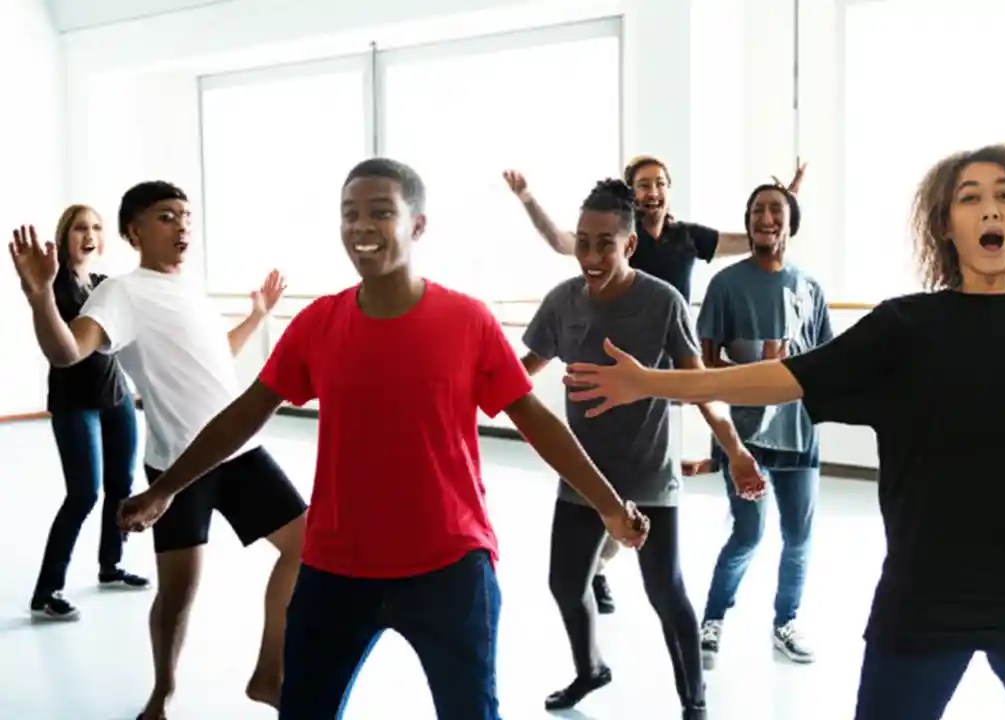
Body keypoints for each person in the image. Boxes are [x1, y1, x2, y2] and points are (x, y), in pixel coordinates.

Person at [559, 144, 1005, 719]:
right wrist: (657, 383)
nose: (989, 208)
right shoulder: (906, 326)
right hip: (923, 599)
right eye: (970, 197)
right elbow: (785, 379)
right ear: (946, 223)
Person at [116, 158, 650, 720]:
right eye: (349, 214)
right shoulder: (318, 324)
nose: (361, 226)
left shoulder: (467, 321)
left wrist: (611, 508)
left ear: (417, 225)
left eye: (380, 212)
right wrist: (164, 490)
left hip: (449, 566)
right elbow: (243, 414)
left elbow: (537, 421)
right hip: (336, 567)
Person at [7, 182, 305, 720]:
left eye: (186, 216)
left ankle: (269, 675)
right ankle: (162, 693)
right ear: (134, 232)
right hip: (177, 463)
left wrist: (258, 316)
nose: (182, 226)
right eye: (167, 217)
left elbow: (217, 357)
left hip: (238, 448)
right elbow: (69, 351)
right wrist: (40, 298)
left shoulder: (192, 288)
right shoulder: (120, 292)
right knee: (178, 595)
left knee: (308, 548)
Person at [503, 155, 806, 612]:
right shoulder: (620, 235)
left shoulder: (688, 238)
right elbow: (563, 242)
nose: (653, 191)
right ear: (632, 195)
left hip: (670, 370)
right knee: (614, 474)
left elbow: (755, 239)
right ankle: (601, 563)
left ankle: (627, 559)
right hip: (620, 367)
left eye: (660, 182)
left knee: (650, 478)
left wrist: (786, 204)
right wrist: (527, 197)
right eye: (643, 184)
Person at [520, 178, 763, 719]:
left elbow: (700, 386)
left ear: (630, 245)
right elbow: (519, 376)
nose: (590, 254)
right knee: (565, 584)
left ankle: (694, 701)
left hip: (649, 476)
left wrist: (737, 451)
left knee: (665, 593)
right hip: (583, 477)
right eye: (582, 240)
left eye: (605, 242)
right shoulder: (562, 302)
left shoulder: (661, 302)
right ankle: (591, 670)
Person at [695, 183, 831, 670]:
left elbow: (826, 363)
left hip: (800, 437)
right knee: (748, 534)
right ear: (748, 221)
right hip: (746, 440)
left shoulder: (810, 287)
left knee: (798, 537)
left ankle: (785, 623)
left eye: (776, 209)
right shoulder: (726, 285)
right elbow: (705, 369)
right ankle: (711, 620)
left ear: (791, 223)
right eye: (757, 210)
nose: (766, 218)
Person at [27, 204, 149, 622]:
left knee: (122, 487)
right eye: (81, 227)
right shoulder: (53, 284)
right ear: (65, 235)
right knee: (83, 494)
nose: (90, 234)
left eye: (96, 227)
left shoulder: (102, 285)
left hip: (117, 399)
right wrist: (37, 291)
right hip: (75, 404)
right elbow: (56, 340)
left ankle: (111, 566)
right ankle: (46, 592)